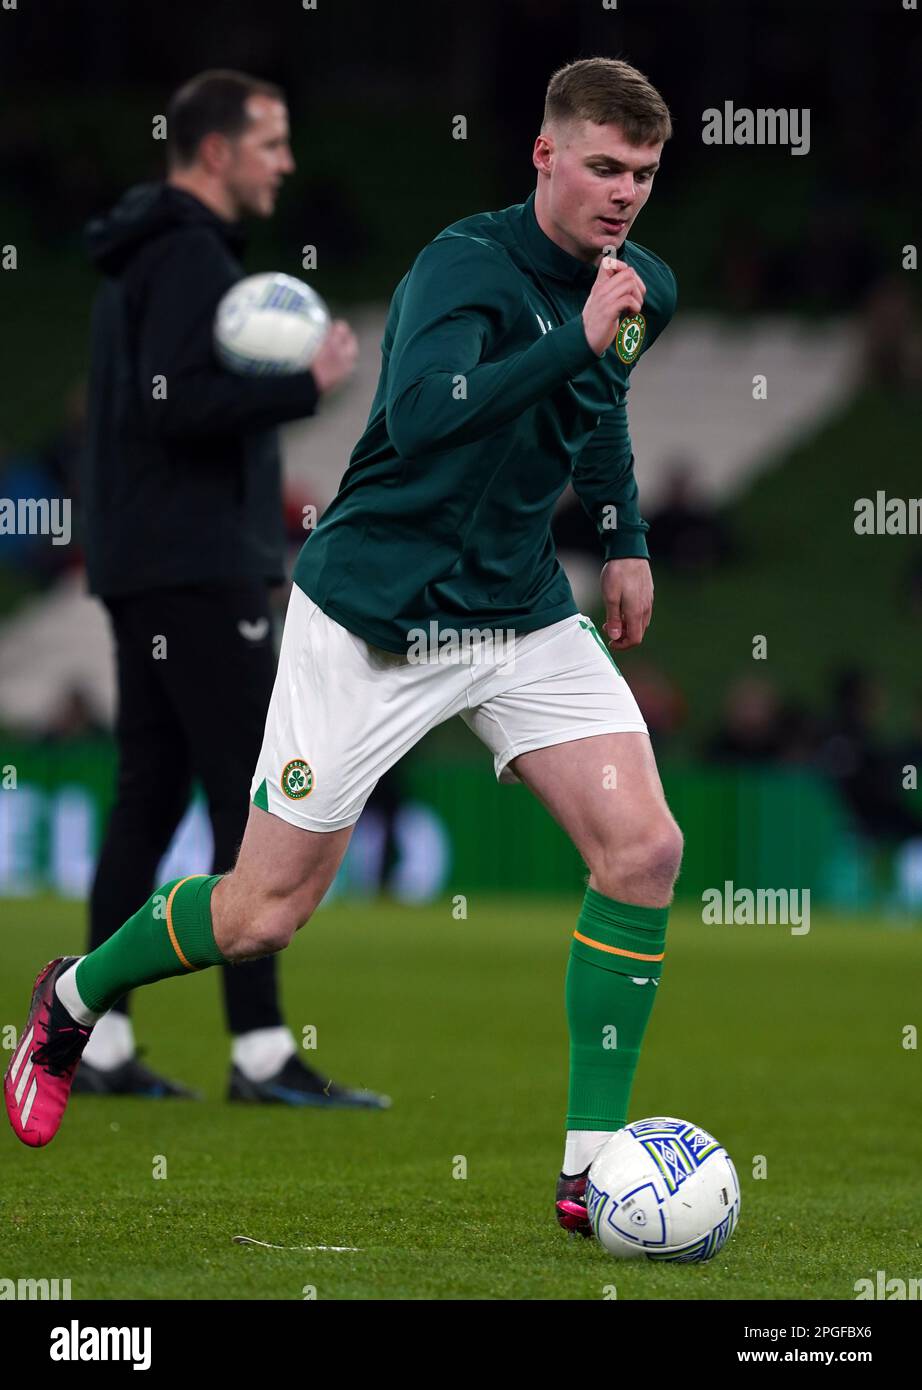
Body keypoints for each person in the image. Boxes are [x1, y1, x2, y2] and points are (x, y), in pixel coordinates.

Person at [5, 56, 684, 1242]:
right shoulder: (462, 269)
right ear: (544, 155)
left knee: (644, 850)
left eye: (642, 171)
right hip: (377, 612)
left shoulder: (639, 288)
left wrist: (622, 538)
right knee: (263, 912)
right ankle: (75, 994)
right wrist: (572, 341)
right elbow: (420, 419)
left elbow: (597, 408)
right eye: (602, 165)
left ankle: (589, 1176)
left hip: (519, 611)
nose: (624, 192)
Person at [71, 69, 386, 1110]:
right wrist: (305, 383)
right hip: (197, 563)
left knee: (149, 793)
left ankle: (98, 1037)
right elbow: (176, 405)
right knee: (253, 794)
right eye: (271, 142)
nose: (286, 163)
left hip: (145, 558)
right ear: (215, 151)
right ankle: (258, 1053)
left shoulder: (144, 251)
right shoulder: (191, 255)